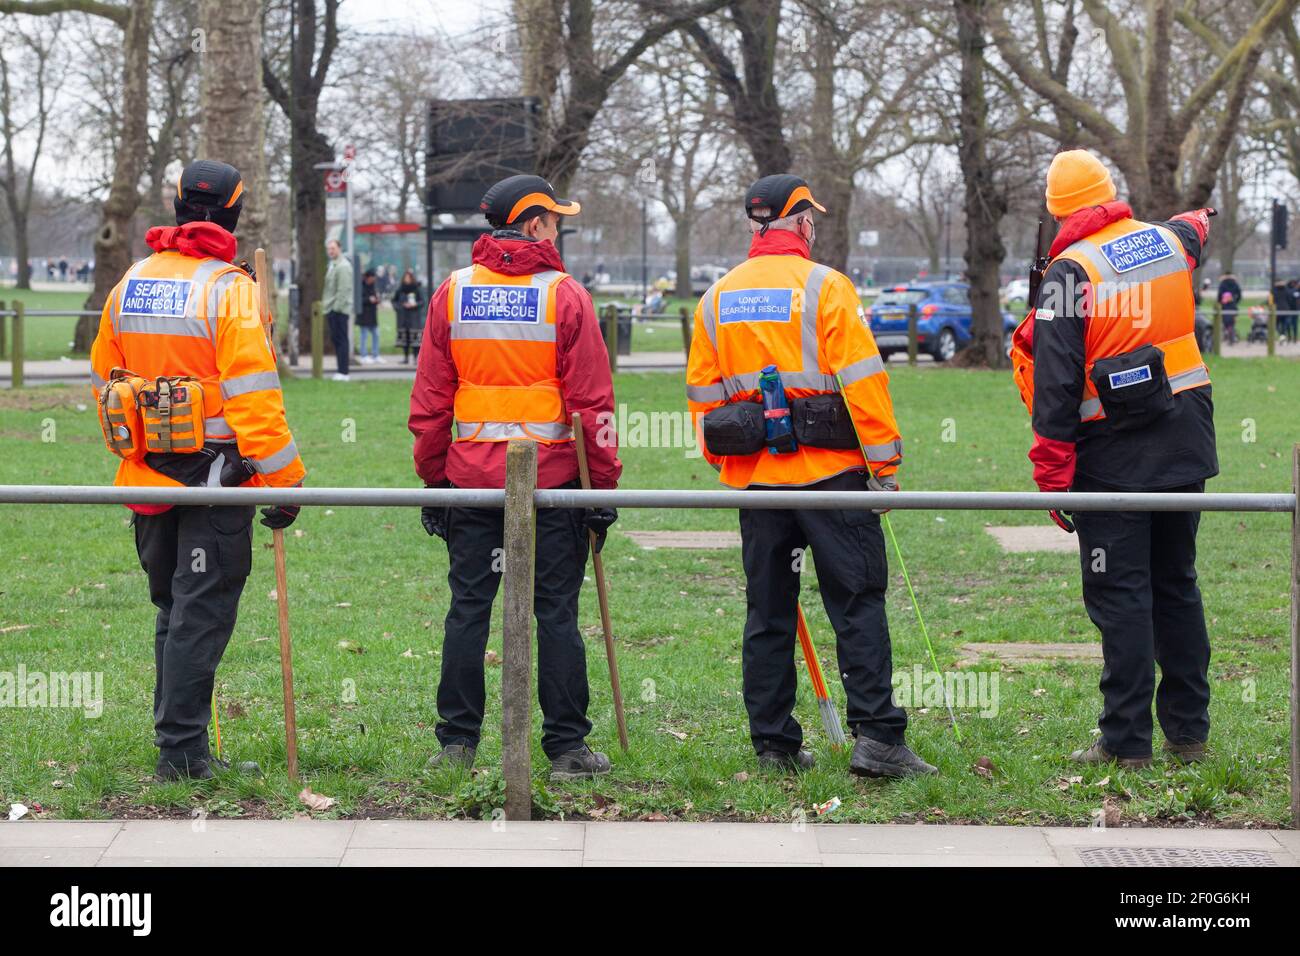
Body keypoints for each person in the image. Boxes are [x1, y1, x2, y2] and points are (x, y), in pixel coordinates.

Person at [685, 174, 935, 779]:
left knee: (768, 612)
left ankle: (773, 746)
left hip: (758, 486)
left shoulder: (716, 297)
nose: (813, 227)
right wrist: (883, 469)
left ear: (755, 226)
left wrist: (732, 464)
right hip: (831, 478)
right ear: (800, 224)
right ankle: (877, 739)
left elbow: (703, 400)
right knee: (856, 604)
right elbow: (864, 382)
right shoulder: (827, 286)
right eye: (811, 219)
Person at [89, 159, 306, 780]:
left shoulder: (130, 281)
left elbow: (107, 381)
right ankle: (182, 754)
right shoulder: (230, 290)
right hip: (218, 485)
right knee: (199, 613)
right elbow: (256, 397)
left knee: (173, 609)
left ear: (178, 206)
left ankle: (176, 742)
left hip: (148, 476)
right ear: (233, 213)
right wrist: (285, 483)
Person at [409, 173, 622, 779]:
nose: (560, 230)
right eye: (555, 220)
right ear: (534, 225)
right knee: (555, 612)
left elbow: (430, 399)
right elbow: (594, 407)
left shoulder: (451, 293)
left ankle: (457, 743)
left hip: (471, 481)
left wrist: (433, 479)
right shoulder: (567, 297)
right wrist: (602, 489)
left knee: (468, 610)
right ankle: (567, 750)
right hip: (552, 487)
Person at [1018, 149, 1216, 769]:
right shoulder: (1165, 243)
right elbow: (1194, 229)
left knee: (1121, 594)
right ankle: (1188, 734)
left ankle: (1125, 741)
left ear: (1057, 212)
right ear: (1110, 194)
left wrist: (1053, 478)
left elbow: (1054, 387)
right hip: (1186, 442)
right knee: (1176, 585)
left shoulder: (1069, 272)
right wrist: (1200, 218)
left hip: (1113, 457)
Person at [322, 238, 353, 381]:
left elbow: (344, 289)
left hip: (338, 310)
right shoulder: (333, 265)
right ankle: (340, 370)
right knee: (337, 340)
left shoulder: (343, 266)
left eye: (333, 248)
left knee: (341, 340)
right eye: (329, 249)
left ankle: (343, 372)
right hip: (331, 308)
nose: (330, 251)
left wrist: (336, 308)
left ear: (339, 248)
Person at [393, 268, 425, 363]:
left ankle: (415, 358)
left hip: (414, 317)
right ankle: (406, 358)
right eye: (405, 278)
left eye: (409, 278)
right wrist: (399, 307)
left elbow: (422, 302)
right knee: (405, 339)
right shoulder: (400, 289)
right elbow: (394, 301)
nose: (407, 279)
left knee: (415, 339)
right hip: (403, 318)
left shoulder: (416, 289)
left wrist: (415, 305)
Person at [357, 268, 382, 364]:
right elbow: (359, 300)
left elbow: (375, 296)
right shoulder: (361, 286)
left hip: (372, 315)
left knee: (376, 334)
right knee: (364, 335)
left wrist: (377, 299)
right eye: (372, 277)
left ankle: (375, 355)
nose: (374, 279)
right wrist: (369, 299)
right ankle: (363, 355)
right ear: (368, 277)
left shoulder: (373, 286)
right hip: (364, 316)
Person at [1217, 272, 1241, 345]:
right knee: (1232, 323)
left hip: (1225, 306)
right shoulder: (1235, 283)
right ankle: (1231, 337)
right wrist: (1235, 301)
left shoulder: (1222, 284)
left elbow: (1219, 295)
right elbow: (1239, 295)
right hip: (1233, 306)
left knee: (1226, 322)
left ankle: (1228, 336)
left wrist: (1220, 302)